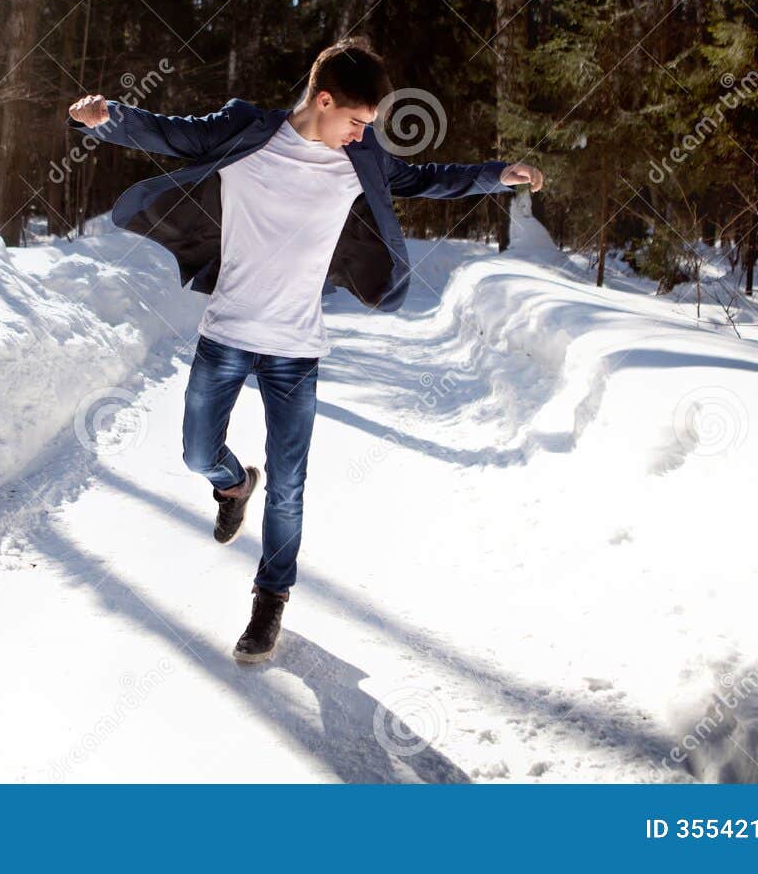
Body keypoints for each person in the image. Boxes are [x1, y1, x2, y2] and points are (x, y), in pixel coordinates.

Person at [65, 37, 543, 663]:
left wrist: (495, 176)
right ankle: (233, 485)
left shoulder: (361, 158)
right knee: (195, 452)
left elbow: (426, 178)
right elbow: (172, 134)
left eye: (367, 126)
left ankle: (270, 599)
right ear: (322, 100)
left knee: (290, 485)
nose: (361, 134)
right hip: (227, 332)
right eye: (355, 120)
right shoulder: (248, 131)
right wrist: (113, 118)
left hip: (296, 349)